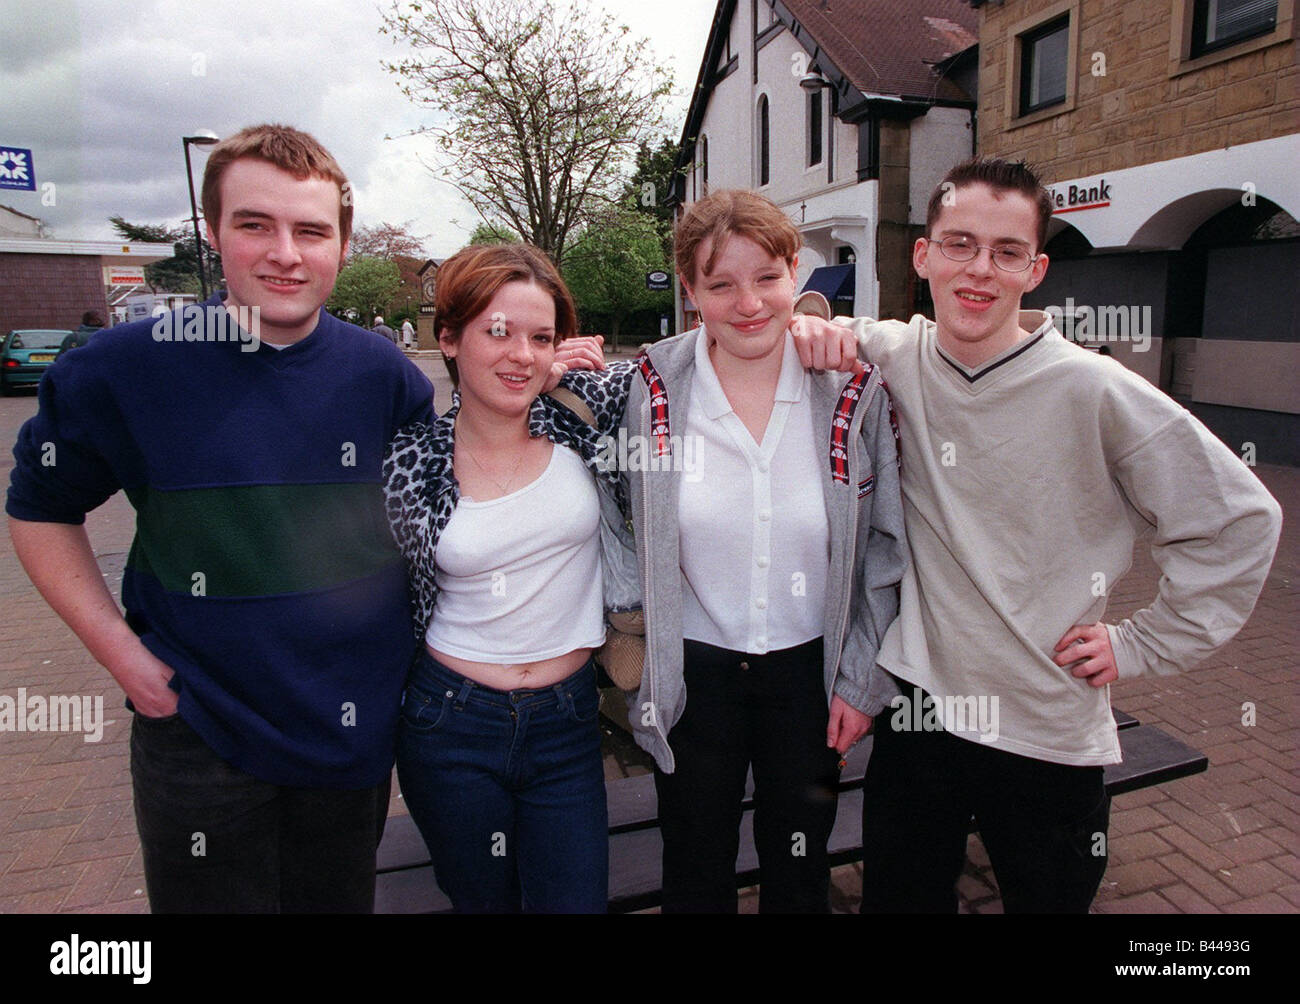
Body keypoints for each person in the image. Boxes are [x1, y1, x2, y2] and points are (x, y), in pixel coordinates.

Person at [796, 156, 1283, 912]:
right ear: (923, 257)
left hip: (1045, 723)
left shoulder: (1096, 388)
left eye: (1006, 251)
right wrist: (811, 316)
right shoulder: (895, 353)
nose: (979, 269)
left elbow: (1240, 518)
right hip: (920, 712)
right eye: (959, 244)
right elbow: (787, 322)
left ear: (1037, 268)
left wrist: (1141, 643)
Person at [6, 123, 434, 913]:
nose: (285, 253)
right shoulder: (121, 372)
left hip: (349, 731)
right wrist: (122, 658)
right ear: (213, 232)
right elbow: (38, 510)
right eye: (254, 225)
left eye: (311, 230)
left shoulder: (386, 377)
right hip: (198, 731)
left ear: (341, 242)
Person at [559, 188, 907, 912]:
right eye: (720, 284)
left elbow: (884, 547)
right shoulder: (647, 386)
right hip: (693, 677)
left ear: (795, 274)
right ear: (690, 291)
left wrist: (860, 677)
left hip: (810, 678)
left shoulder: (851, 387)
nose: (748, 303)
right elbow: (532, 412)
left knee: (800, 869)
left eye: (768, 279)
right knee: (694, 867)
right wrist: (545, 362)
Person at [382, 242, 638, 913]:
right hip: (450, 724)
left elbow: (706, 365)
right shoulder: (411, 460)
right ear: (448, 337)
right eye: (497, 332)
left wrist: (823, 326)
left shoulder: (586, 419)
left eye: (540, 336)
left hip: (568, 721)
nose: (520, 354)